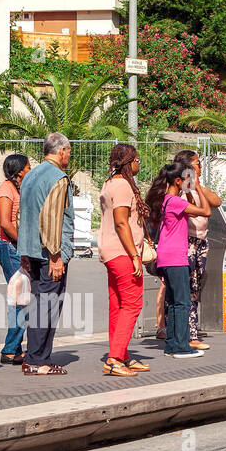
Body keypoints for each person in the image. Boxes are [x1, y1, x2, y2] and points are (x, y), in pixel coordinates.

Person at [17, 133, 74, 376]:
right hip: (50, 253)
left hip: (31, 250)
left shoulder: (30, 175)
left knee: (39, 305)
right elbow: (51, 219)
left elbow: (24, 214)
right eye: (69, 152)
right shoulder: (58, 178)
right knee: (48, 307)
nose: (69, 156)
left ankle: (34, 357)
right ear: (61, 151)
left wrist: (25, 252)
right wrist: (56, 256)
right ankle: (38, 361)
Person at [146, 162, 212, 358]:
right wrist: (198, 187)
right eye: (186, 180)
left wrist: (191, 189)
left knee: (174, 302)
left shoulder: (166, 200)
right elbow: (206, 211)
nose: (190, 183)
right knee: (182, 302)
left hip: (166, 257)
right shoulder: (176, 201)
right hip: (176, 257)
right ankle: (182, 346)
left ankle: (172, 345)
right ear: (178, 181)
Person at [97, 144, 150, 377]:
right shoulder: (122, 185)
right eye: (138, 160)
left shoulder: (110, 182)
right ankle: (115, 358)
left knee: (118, 304)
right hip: (122, 252)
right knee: (132, 304)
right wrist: (135, 255)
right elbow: (121, 222)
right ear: (130, 162)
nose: (139, 164)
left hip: (110, 251)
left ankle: (122, 355)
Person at [173, 149, 218, 350]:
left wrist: (198, 186)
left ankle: (191, 329)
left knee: (196, 287)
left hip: (201, 241)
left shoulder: (198, 187)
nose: (201, 166)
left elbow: (216, 202)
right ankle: (188, 334)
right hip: (187, 242)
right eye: (198, 163)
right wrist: (191, 186)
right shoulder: (180, 189)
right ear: (189, 166)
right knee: (188, 288)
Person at [0, 154, 31, 365]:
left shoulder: (17, 188)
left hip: (16, 247)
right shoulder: (6, 189)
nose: (30, 170)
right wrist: (24, 244)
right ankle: (10, 349)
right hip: (11, 247)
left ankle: (14, 348)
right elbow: (6, 224)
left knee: (21, 299)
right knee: (20, 300)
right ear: (18, 171)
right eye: (28, 167)